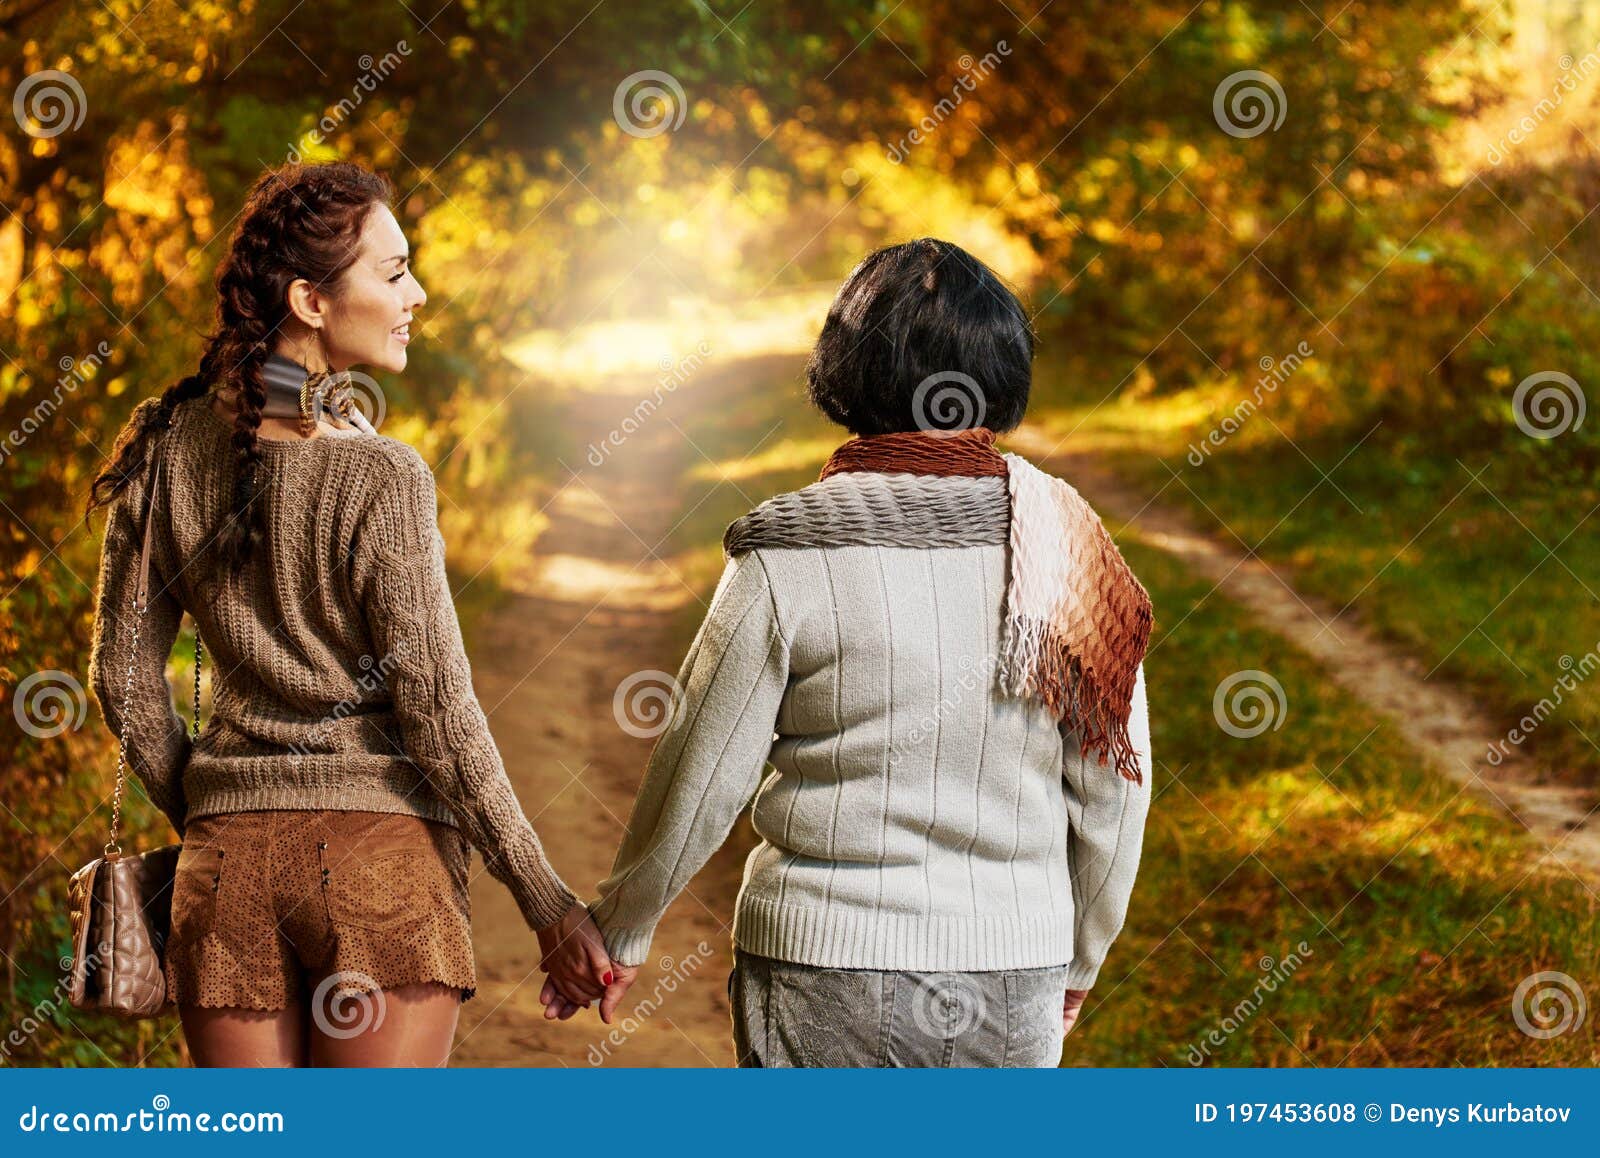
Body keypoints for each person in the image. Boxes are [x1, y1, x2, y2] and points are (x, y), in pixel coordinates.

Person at [549, 237, 1154, 1066]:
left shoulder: (787, 551)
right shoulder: (1069, 552)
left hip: (819, 965)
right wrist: (1079, 963)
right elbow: (1115, 795)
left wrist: (619, 927)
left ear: (845, 372)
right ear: (1006, 374)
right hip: (1011, 973)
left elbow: (702, 771)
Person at [85, 160, 610, 1067]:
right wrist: (547, 903)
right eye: (394, 271)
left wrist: (217, 809)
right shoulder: (382, 477)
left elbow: (122, 679)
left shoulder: (165, 448)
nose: (419, 294)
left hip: (227, 879)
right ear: (311, 301)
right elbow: (439, 718)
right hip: (383, 879)